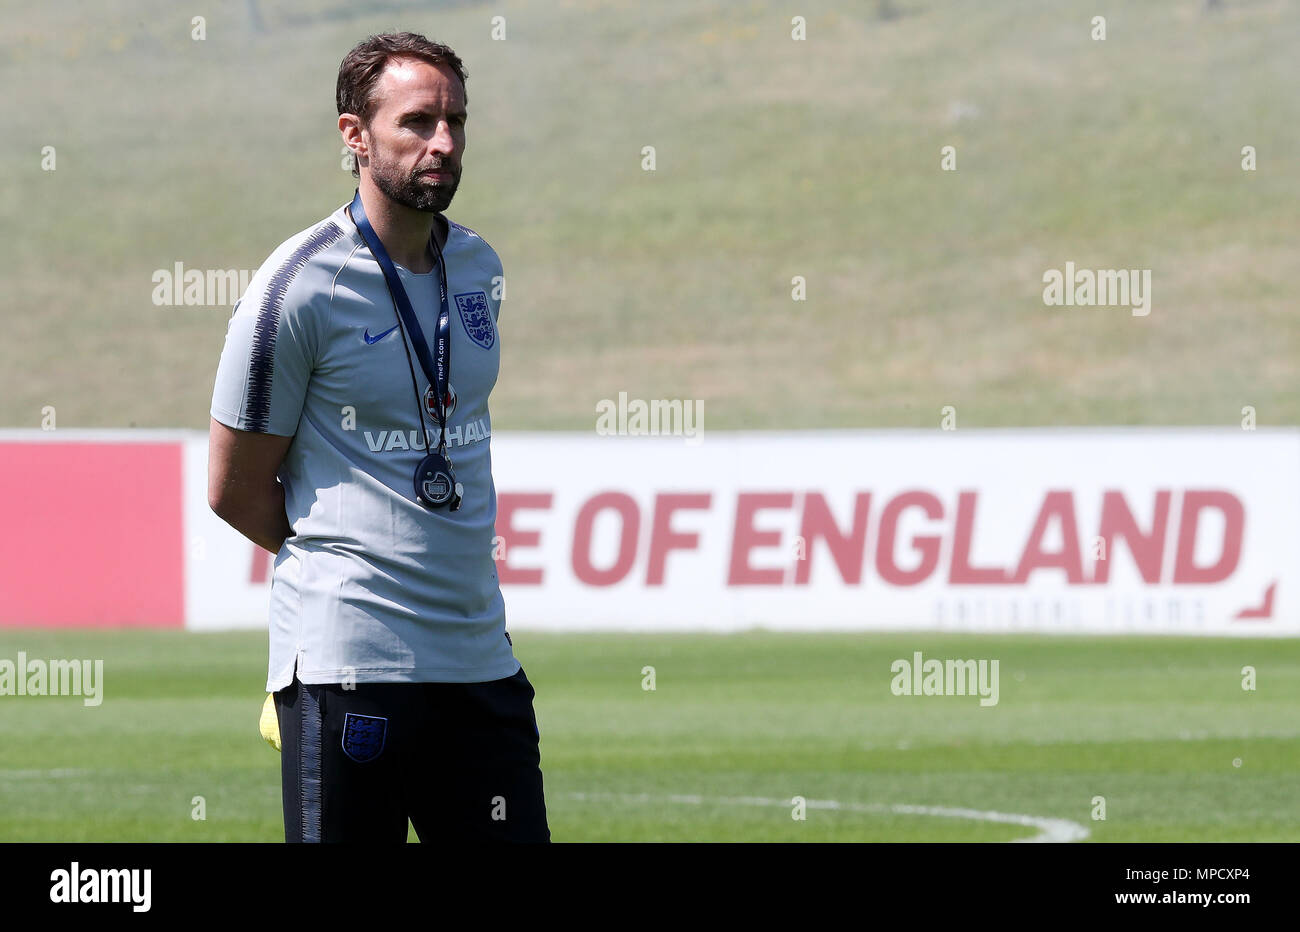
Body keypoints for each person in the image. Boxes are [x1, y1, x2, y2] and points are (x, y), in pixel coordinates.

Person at [207, 31, 549, 843]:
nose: (444, 143)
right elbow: (233, 487)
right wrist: (340, 568)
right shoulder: (296, 287)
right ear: (354, 135)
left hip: (478, 661)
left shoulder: (479, 267)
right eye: (418, 122)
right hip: (349, 664)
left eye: (456, 121)